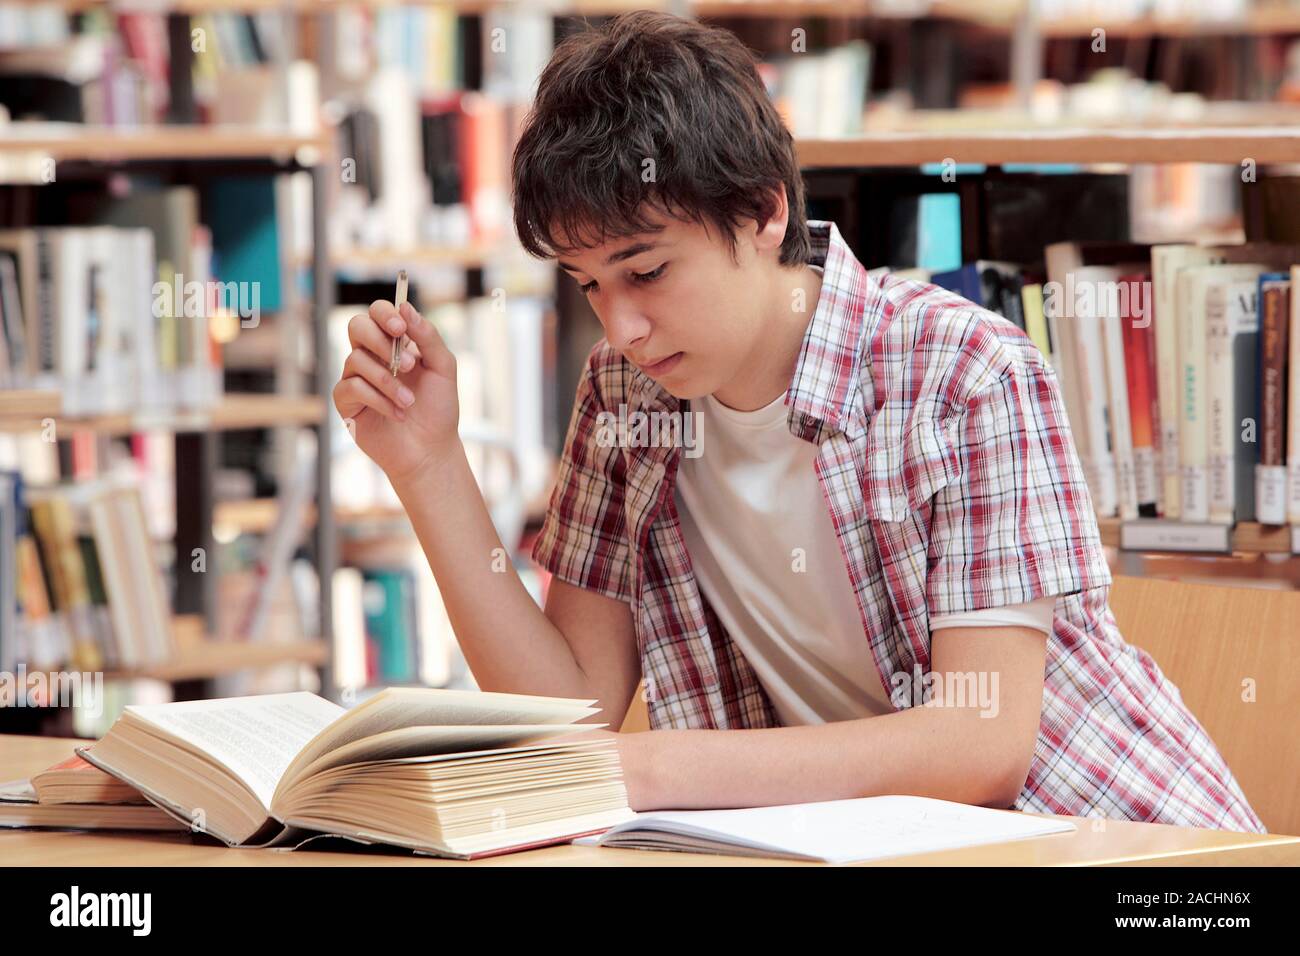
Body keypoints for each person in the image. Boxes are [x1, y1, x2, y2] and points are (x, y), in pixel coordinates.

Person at [333, 10, 1264, 831]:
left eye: (647, 270)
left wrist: (658, 768)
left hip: (1129, 843)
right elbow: (570, 714)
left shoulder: (966, 372)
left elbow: (980, 745)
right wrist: (428, 467)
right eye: (588, 285)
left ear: (763, 214)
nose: (620, 323)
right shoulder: (623, 396)